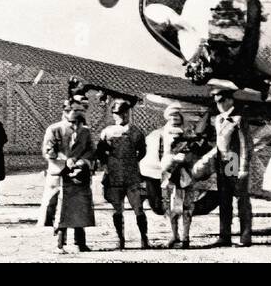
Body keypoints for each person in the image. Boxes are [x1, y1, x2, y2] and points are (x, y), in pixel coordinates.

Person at [41, 100, 95, 252]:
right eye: (71, 120)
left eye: (77, 120)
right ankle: (60, 243)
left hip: (79, 174)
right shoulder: (54, 129)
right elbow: (49, 151)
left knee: (80, 208)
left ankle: (80, 242)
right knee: (61, 208)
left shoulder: (85, 132)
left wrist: (81, 163)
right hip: (60, 174)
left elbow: (91, 150)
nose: (74, 124)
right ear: (64, 113)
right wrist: (66, 161)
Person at [95, 98, 149, 250]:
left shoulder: (136, 131)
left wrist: (132, 161)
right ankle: (121, 239)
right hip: (114, 175)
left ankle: (144, 239)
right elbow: (100, 152)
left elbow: (142, 151)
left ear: (128, 113)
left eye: (124, 113)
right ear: (113, 115)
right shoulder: (107, 132)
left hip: (131, 175)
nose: (121, 116)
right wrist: (107, 165)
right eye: (117, 113)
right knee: (117, 209)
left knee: (138, 207)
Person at [207, 87, 252, 247]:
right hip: (222, 163)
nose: (218, 105)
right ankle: (224, 236)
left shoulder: (238, 119)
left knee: (241, 199)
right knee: (224, 200)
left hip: (235, 161)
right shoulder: (219, 119)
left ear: (229, 100)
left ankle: (245, 236)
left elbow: (246, 145)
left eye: (221, 101)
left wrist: (244, 168)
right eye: (216, 102)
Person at [156, 104, 199, 249]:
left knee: (187, 206)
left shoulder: (188, 132)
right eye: (171, 115)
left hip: (186, 172)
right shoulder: (163, 133)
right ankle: (174, 235)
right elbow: (161, 152)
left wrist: (187, 158)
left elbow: (194, 151)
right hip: (169, 172)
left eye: (177, 114)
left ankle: (186, 236)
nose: (174, 117)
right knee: (171, 206)